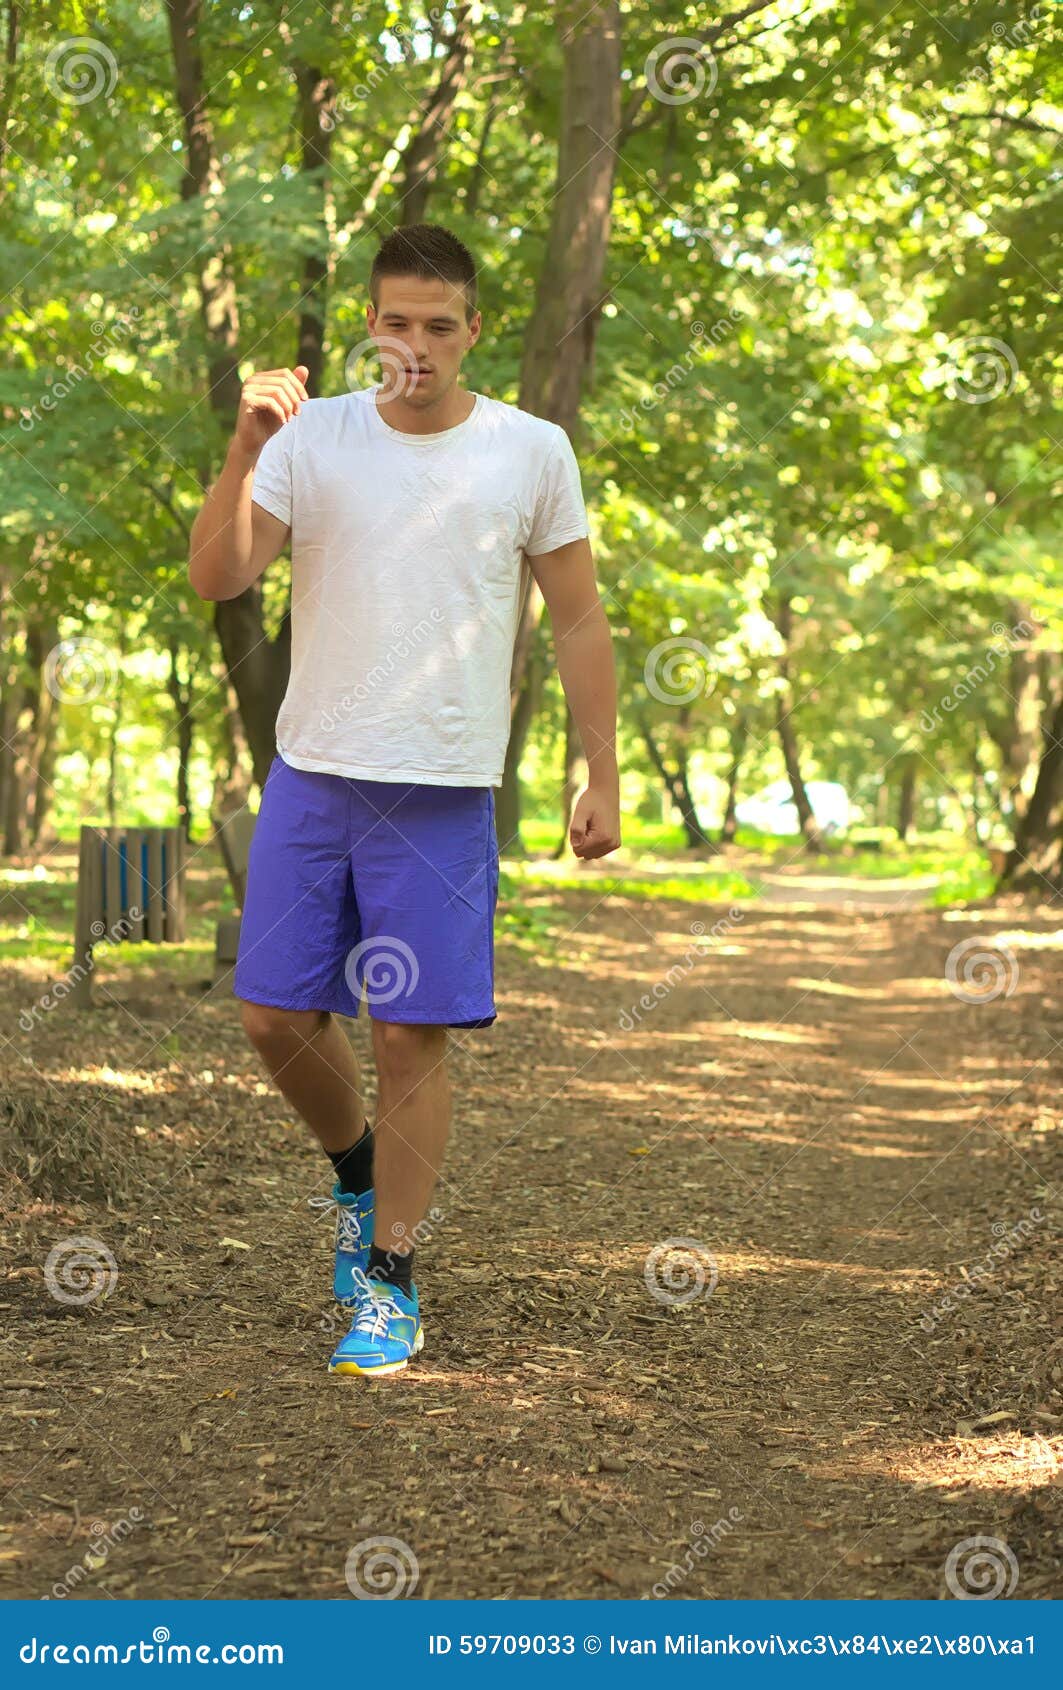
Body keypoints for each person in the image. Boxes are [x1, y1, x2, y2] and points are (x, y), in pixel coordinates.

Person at [188, 223, 620, 1377]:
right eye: (396, 324)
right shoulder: (311, 436)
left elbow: (577, 618)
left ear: (473, 329)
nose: (416, 347)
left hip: (438, 791)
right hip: (313, 774)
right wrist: (241, 448)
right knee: (272, 1016)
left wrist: (601, 769)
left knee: (408, 1038)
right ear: (369, 327)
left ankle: (391, 1281)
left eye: (440, 325)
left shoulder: (530, 451)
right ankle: (355, 1172)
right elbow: (217, 575)